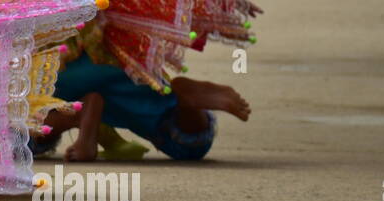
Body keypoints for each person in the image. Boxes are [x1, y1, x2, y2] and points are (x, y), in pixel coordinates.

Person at [39, 53, 250, 162]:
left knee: (189, 148)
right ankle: (182, 102)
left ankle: (184, 104)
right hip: (113, 59)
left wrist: (86, 141)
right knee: (165, 112)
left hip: (62, 79)